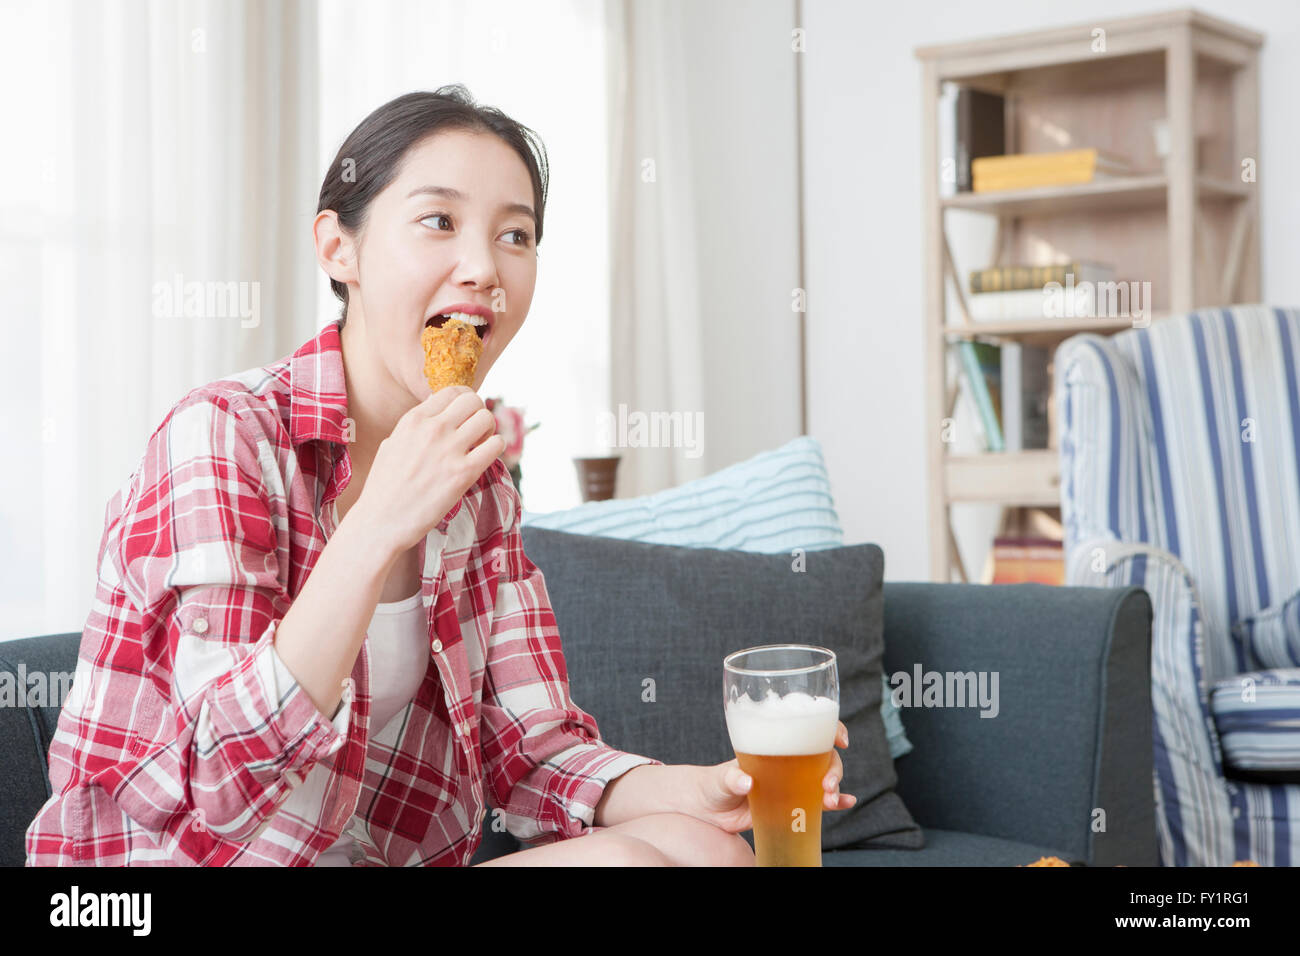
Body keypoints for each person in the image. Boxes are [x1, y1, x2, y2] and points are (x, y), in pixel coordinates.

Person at [25, 85, 854, 867]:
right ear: (337, 247)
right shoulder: (223, 436)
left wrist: (708, 791)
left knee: (704, 846)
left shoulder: (480, 484)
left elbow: (536, 752)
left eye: (515, 234)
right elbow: (218, 782)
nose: (484, 267)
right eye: (437, 221)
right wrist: (378, 522)